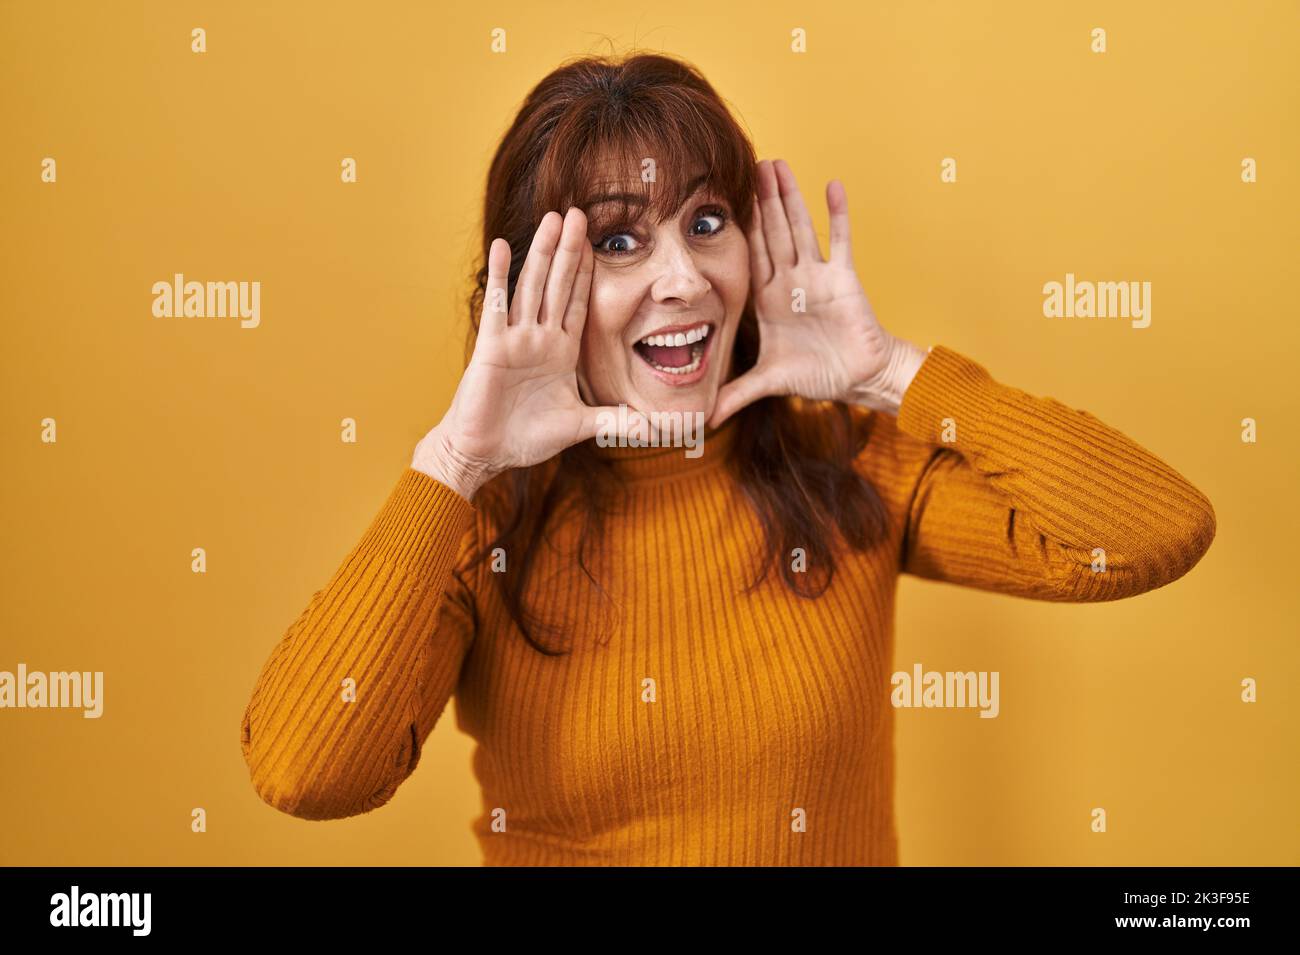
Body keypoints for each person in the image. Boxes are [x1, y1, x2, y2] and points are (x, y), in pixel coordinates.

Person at [239, 52, 1216, 866]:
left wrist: (888, 373)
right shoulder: (480, 529)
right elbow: (305, 771)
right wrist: (454, 460)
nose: (684, 277)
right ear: (538, 289)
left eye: (706, 221)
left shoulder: (844, 464)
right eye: (620, 239)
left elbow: (1152, 530)